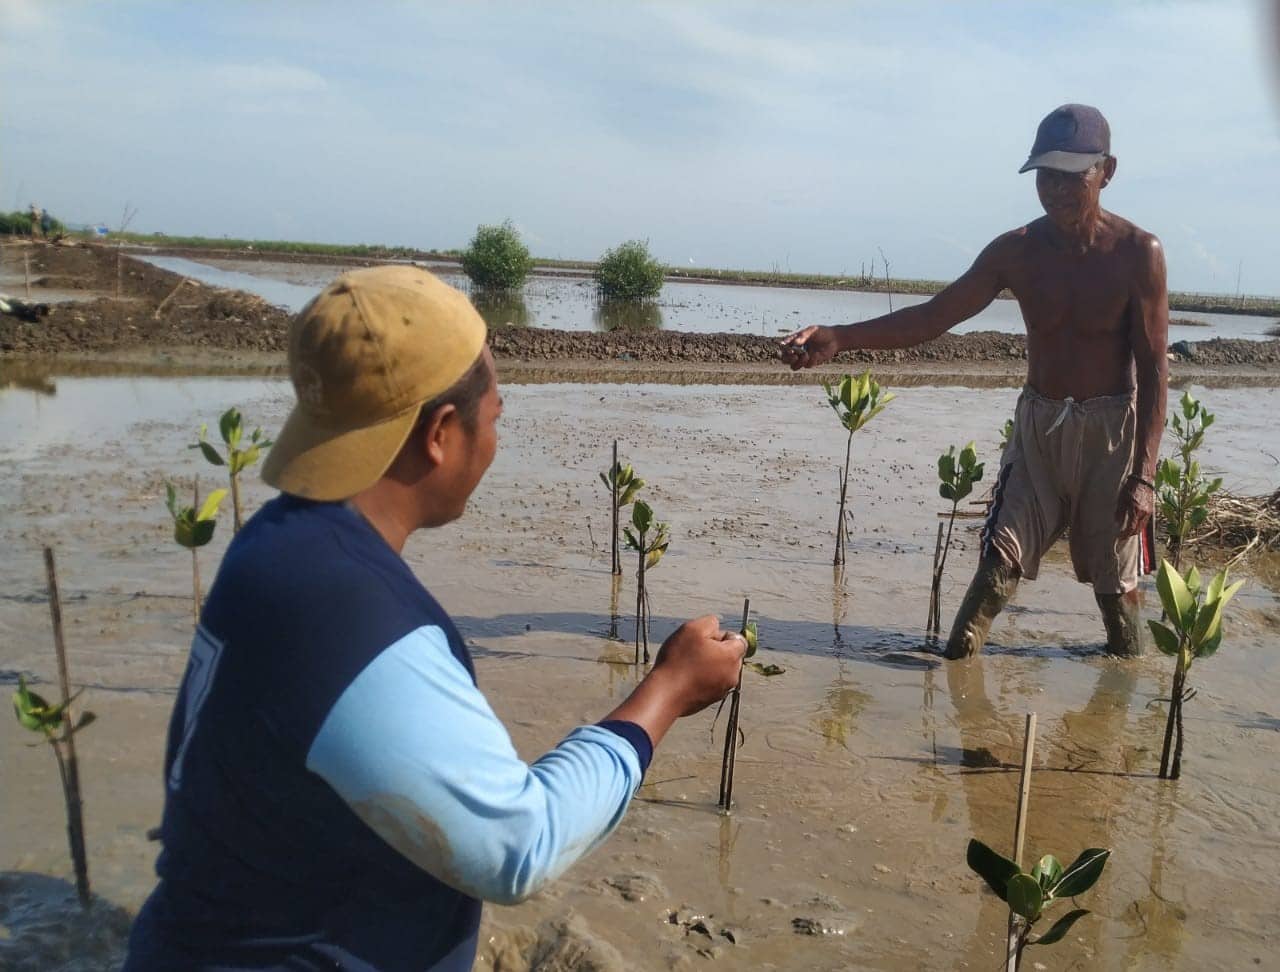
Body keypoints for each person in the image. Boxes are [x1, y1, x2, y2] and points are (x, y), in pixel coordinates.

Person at [123, 266, 747, 971]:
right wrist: (668, 690)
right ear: (442, 432)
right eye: (496, 418)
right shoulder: (347, 615)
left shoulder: (276, 541)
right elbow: (519, 847)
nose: (495, 440)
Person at [782, 104, 1167, 659]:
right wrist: (840, 336)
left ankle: (1123, 691)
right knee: (996, 568)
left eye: (1072, 176)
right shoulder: (1017, 251)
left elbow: (1154, 373)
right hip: (1039, 430)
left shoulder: (1138, 254)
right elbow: (932, 317)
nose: (1056, 190)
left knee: (1118, 599)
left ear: (1106, 171)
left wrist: (1144, 476)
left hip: (1112, 436)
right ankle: (956, 675)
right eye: (1046, 175)